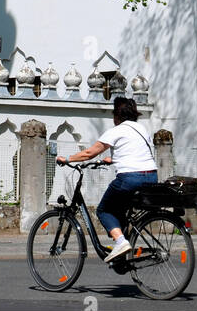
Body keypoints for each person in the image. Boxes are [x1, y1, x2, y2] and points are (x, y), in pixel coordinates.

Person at [57, 96, 157, 265]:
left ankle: (121, 242)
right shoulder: (141, 129)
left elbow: (89, 153)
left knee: (104, 210)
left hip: (130, 178)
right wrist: (113, 159)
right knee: (120, 211)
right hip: (151, 177)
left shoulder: (116, 130)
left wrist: (67, 159)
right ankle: (123, 252)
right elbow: (134, 152)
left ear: (117, 116)